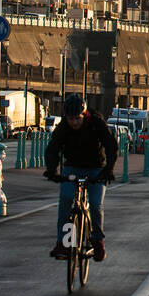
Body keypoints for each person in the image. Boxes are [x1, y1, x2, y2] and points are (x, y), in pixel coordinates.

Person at [45, 93, 118, 261]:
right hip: (72, 167)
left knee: (95, 204)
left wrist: (108, 170)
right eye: (71, 119)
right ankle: (63, 242)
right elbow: (53, 148)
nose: (74, 123)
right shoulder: (63, 127)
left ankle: (98, 240)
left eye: (77, 119)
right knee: (65, 199)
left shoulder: (96, 123)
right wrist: (52, 170)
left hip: (95, 168)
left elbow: (111, 146)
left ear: (84, 115)